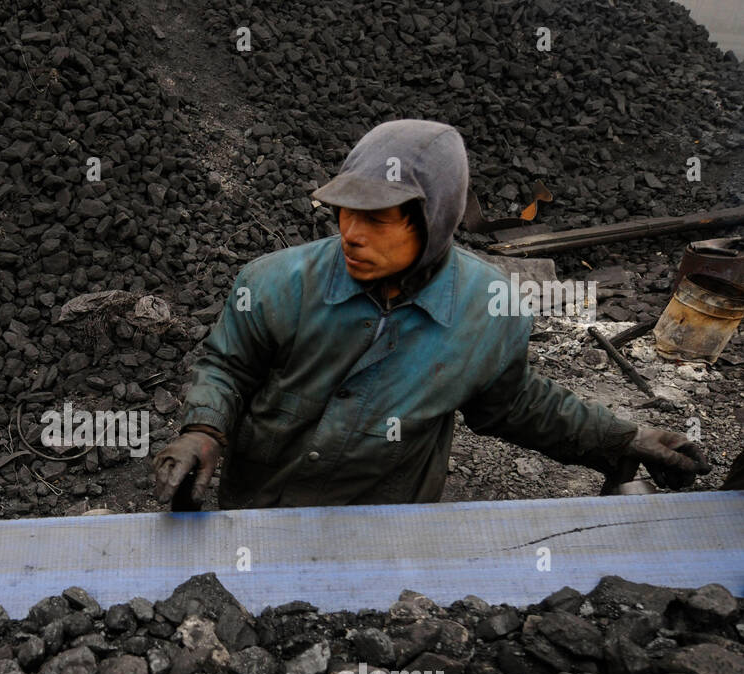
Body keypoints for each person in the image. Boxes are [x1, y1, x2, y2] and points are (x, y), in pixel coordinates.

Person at [153, 119, 710, 509]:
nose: (350, 232)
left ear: (435, 218)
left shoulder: (488, 309)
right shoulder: (272, 282)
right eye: (346, 212)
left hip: (388, 513)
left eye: (378, 219)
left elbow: (513, 402)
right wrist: (202, 431)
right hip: (262, 499)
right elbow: (227, 367)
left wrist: (620, 439)